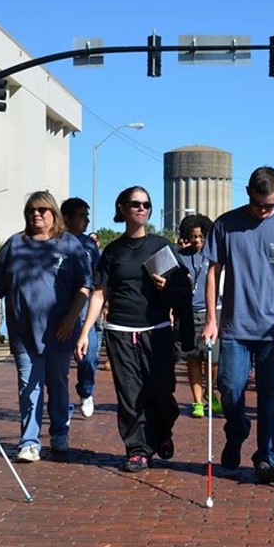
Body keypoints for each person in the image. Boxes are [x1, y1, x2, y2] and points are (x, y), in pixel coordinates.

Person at [203, 166, 274, 485]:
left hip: (273, 331)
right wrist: (211, 319)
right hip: (235, 328)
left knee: (270, 397)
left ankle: (267, 455)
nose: (264, 211)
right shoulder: (225, 225)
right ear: (247, 191)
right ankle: (236, 432)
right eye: (259, 204)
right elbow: (213, 273)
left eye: (271, 205)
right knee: (230, 390)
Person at [76, 186, 193, 472]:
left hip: (157, 329)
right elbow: (100, 293)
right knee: (130, 394)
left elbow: (184, 283)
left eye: (146, 204)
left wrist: (169, 286)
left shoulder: (159, 247)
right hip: (119, 329)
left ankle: (163, 430)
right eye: (135, 204)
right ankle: (138, 449)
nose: (141, 208)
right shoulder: (113, 251)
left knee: (162, 392)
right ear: (122, 208)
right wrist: (85, 332)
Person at [0, 192, 92, 462]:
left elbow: (85, 285)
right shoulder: (15, 244)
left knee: (57, 383)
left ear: (53, 214)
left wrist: (72, 319)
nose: (36, 214)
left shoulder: (69, 244)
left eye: (42, 210)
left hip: (60, 330)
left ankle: (60, 430)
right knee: (28, 384)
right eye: (31, 211)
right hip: (24, 331)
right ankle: (29, 441)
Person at [176, 213, 220, 418]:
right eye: (194, 236)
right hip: (188, 314)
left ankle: (210, 392)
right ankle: (197, 402)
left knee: (212, 361)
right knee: (193, 360)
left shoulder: (216, 256)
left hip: (212, 313)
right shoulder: (180, 257)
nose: (198, 241)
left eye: (202, 236)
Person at [61, 197, 102, 418]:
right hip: (59, 313)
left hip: (86, 315)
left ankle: (86, 392)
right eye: (82, 216)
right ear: (67, 218)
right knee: (60, 364)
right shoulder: (55, 241)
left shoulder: (89, 245)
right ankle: (62, 404)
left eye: (87, 216)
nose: (86, 220)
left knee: (88, 358)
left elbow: (98, 278)